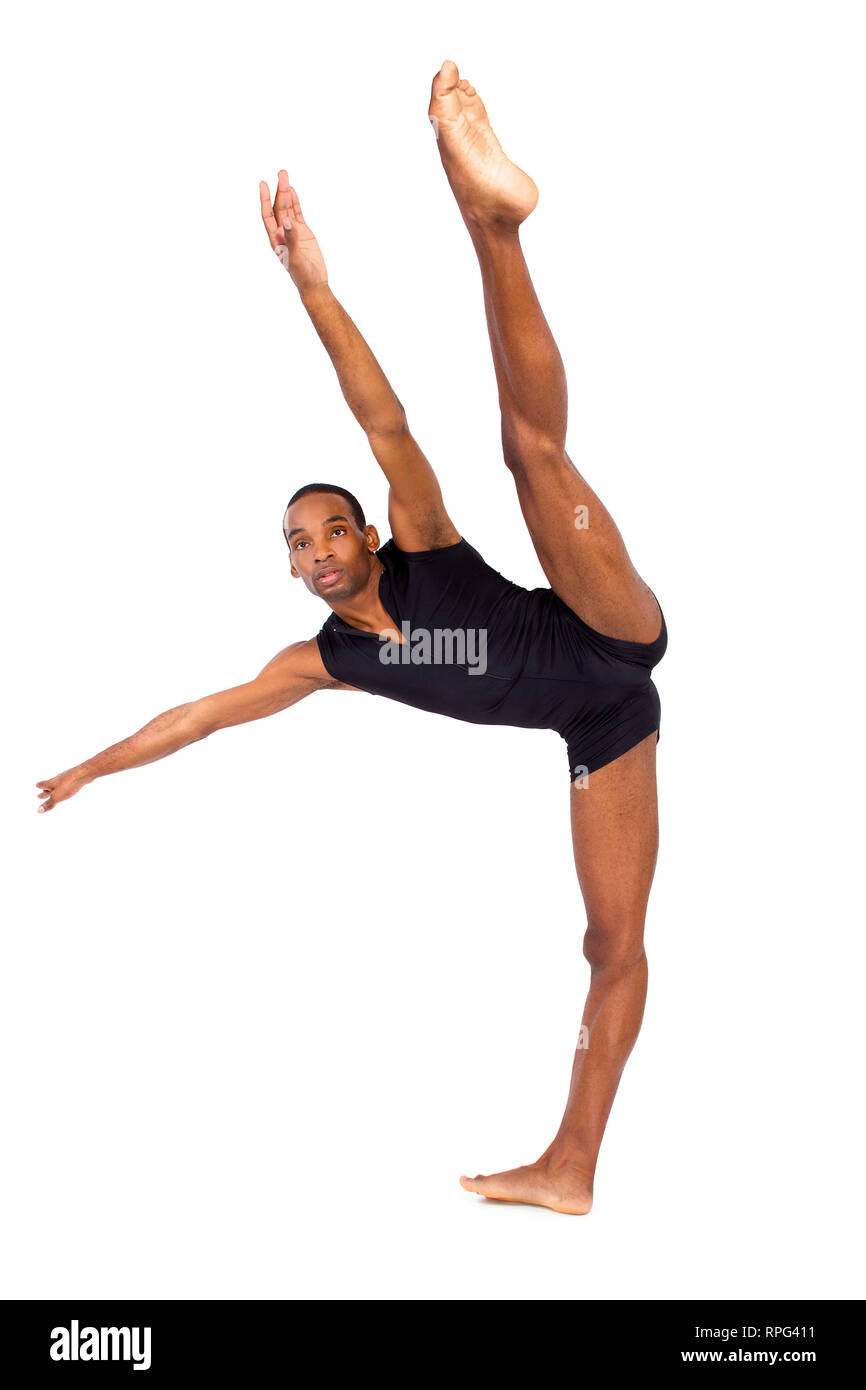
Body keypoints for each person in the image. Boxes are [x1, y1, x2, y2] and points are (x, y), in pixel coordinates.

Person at [36, 60, 667, 1216]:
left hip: (602, 618)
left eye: (334, 525)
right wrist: (87, 767)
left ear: (368, 530)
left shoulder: (419, 542)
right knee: (608, 946)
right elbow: (198, 716)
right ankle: (571, 1165)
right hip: (604, 712)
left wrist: (310, 286)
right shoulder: (325, 661)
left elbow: (376, 409)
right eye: (298, 540)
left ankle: (493, 220)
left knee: (532, 449)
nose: (320, 546)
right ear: (290, 567)